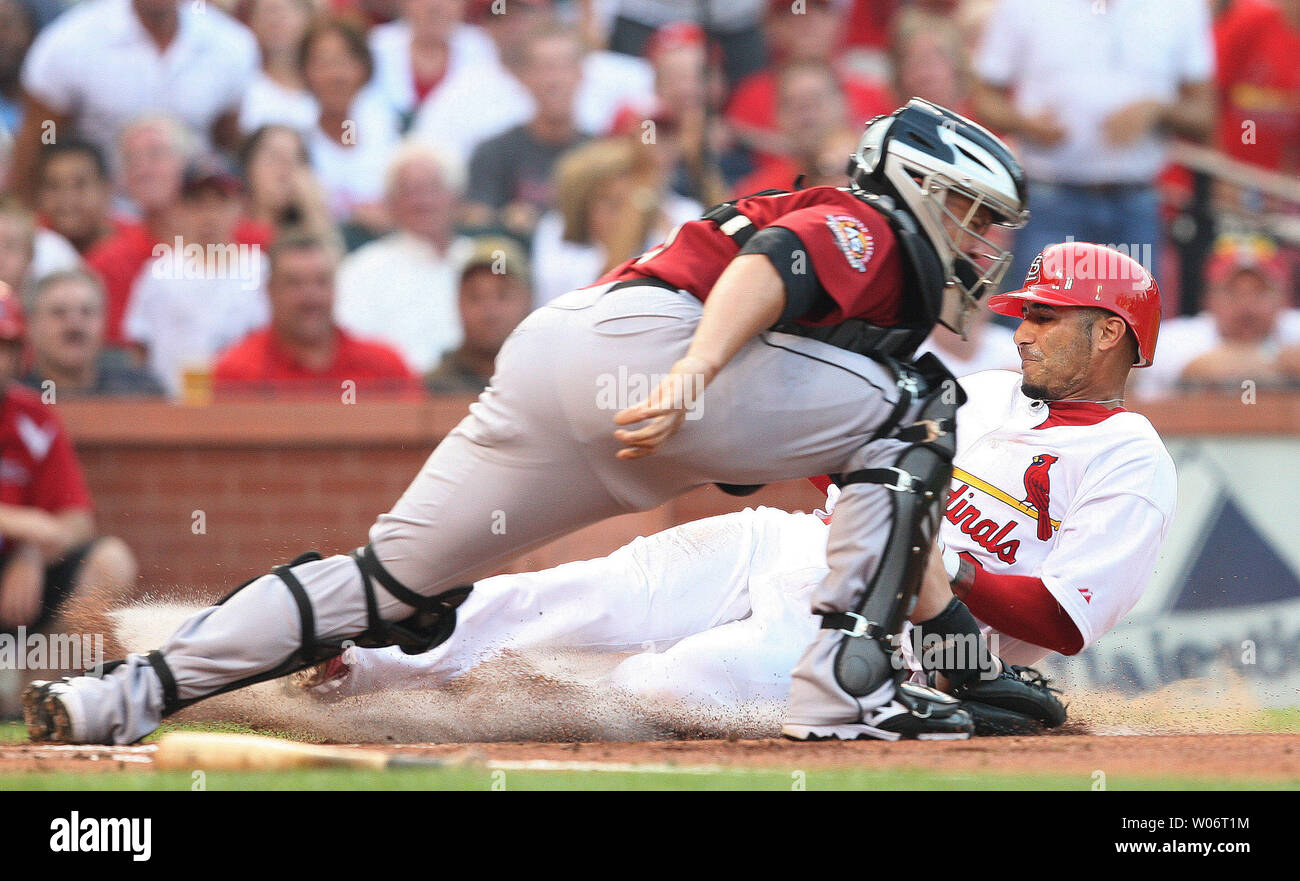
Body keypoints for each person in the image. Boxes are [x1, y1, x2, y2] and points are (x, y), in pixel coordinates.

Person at [25, 100, 1038, 746]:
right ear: (915, 185)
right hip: (662, 351)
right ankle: (846, 691)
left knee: (389, 585)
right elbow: (769, 268)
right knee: (925, 405)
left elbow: (868, 492)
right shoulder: (872, 227)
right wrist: (694, 368)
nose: (980, 244)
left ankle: (121, 695)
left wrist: (955, 645)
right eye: (970, 212)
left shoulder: (859, 321)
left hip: (569, 355)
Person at [309, 241, 1175, 729]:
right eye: (1024, 313)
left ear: (1108, 334)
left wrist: (945, 569)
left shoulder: (1132, 461)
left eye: (1046, 316)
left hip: (901, 629)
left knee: (667, 688)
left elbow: (1063, 620)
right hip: (795, 542)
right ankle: (360, 660)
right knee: (581, 591)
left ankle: (492, 710)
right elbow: (851, 457)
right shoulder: (982, 390)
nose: (1022, 329)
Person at [972, 0, 1216, 288]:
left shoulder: (1181, 7)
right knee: (1042, 321)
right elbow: (983, 96)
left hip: (1135, 199)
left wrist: (1158, 110)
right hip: (1049, 196)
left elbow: (1204, 114)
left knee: (1131, 324)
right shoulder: (1022, 5)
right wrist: (1026, 124)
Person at [0, 285, 139, 715]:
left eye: (4, 346)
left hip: (16, 584)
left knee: (111, 560)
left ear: (18, 353)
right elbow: (38, 523)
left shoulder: (33, 417)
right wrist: (22, 524)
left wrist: (33, 553)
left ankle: (30, 694)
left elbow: (78, 520)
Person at [10, 0, 258, 203]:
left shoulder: (230, 44)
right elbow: (40, 141)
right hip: (100, 218)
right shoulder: (68, 42)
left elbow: (228, 145)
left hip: (194, 214)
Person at [122, 156, 270, 398]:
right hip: (173, 408)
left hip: (246, 405)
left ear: (241, 206)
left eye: (221, 202)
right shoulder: (160, 272)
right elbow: (140, 348)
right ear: (182, 208)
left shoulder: (262, 271)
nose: (210, 215)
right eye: (199, 203)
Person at [212, 234, 417, 398]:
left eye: (321, 281)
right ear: (270, 291)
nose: (310, 297)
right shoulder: (237, 373)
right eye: (294, 283)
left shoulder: (385, 368)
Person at [335, 141, 471, 373]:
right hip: (393, 398)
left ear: (456, 197)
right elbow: (353, 347)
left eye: (433, 188)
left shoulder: (479, 261)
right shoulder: (363, 268)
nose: (422, 201)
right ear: (391, 204)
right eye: (409, 191)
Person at [461, 23, 587, 239]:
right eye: (544, 68)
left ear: (580, 74)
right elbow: (473, 218)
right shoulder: (494, 150)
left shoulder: (602, 154)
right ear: (523, 77)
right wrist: (503, 220)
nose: (553, 80)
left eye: (563, 66)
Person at [1137, 234, 1300, 398]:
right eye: (1233, 292)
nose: (1246, 305)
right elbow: (1199, 369)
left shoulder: (1292, 325)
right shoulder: (1173, 336)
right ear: (1208, 299)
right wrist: (1279, 363)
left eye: (1260, 292)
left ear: (1283, 298)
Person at [19, 270, 165, 399]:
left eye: (87, 312)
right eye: (59, 312)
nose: (74, 324)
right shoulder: (13, 400)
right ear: (31, 325)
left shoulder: (141, 392)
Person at [425, 237, 533, 395]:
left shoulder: (551, 380)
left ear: (527, 300)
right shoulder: (431, 388)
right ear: (458, 303)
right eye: (476, 296)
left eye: (502, 295)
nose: (490, 309)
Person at [35, 139, 117, 257]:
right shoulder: (28, 243)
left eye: (80, 185)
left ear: (107, 188)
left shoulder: (138, 249)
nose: (67, 198)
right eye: (54, 186)